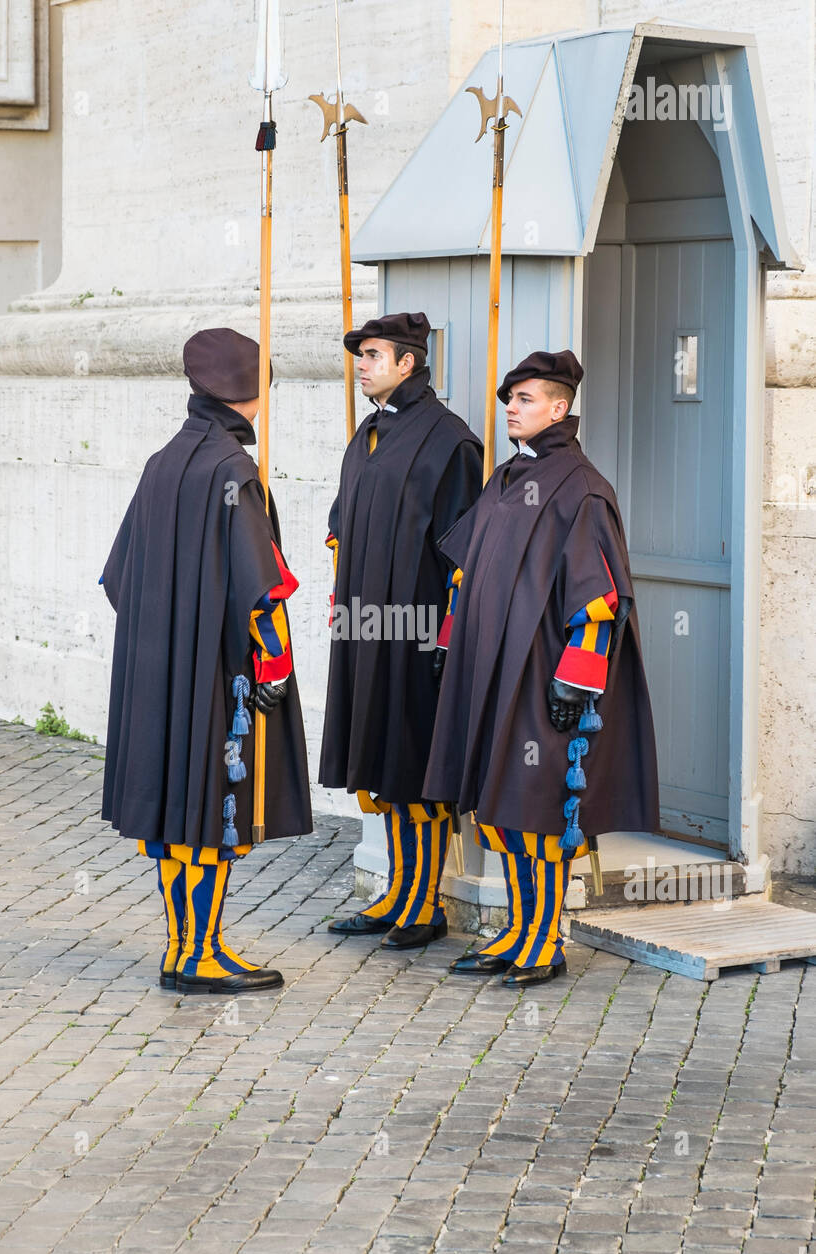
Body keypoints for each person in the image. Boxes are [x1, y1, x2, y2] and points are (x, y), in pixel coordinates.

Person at [423, 348, 659, 986]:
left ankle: (543, 942)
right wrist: (450, 639)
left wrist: (574, 679)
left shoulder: (582, 489)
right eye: (509, 399)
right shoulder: (504, 478)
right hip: (489, 671)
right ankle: (517, 932)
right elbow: (466, 571)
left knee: (537, 808)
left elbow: (600, 596)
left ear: (560, 407)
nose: (510, 409)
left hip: (540, 675)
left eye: (525, 400)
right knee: (499, 807)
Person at [101, 327, 312, 995]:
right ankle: (200, 955)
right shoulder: (234, 470)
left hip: (155, 674)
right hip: (216, 674)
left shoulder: (161, 462)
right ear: (253, 395)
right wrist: (273, 668)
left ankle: (181, 949)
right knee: (210, 808)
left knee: (175, 806)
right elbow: (261, 588)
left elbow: (118, 577)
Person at [320, 311, 483, 949]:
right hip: (363, 627)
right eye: (358, 355)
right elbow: (343, 525)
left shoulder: (451, 442)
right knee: (381, 763)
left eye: (373, 355)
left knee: (413, 761)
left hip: (418, 633)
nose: (361, 365)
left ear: (409, 361)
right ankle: (396, 890)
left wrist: (446, 638)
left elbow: (463, 554)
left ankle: (424, 903)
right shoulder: (366, 434)